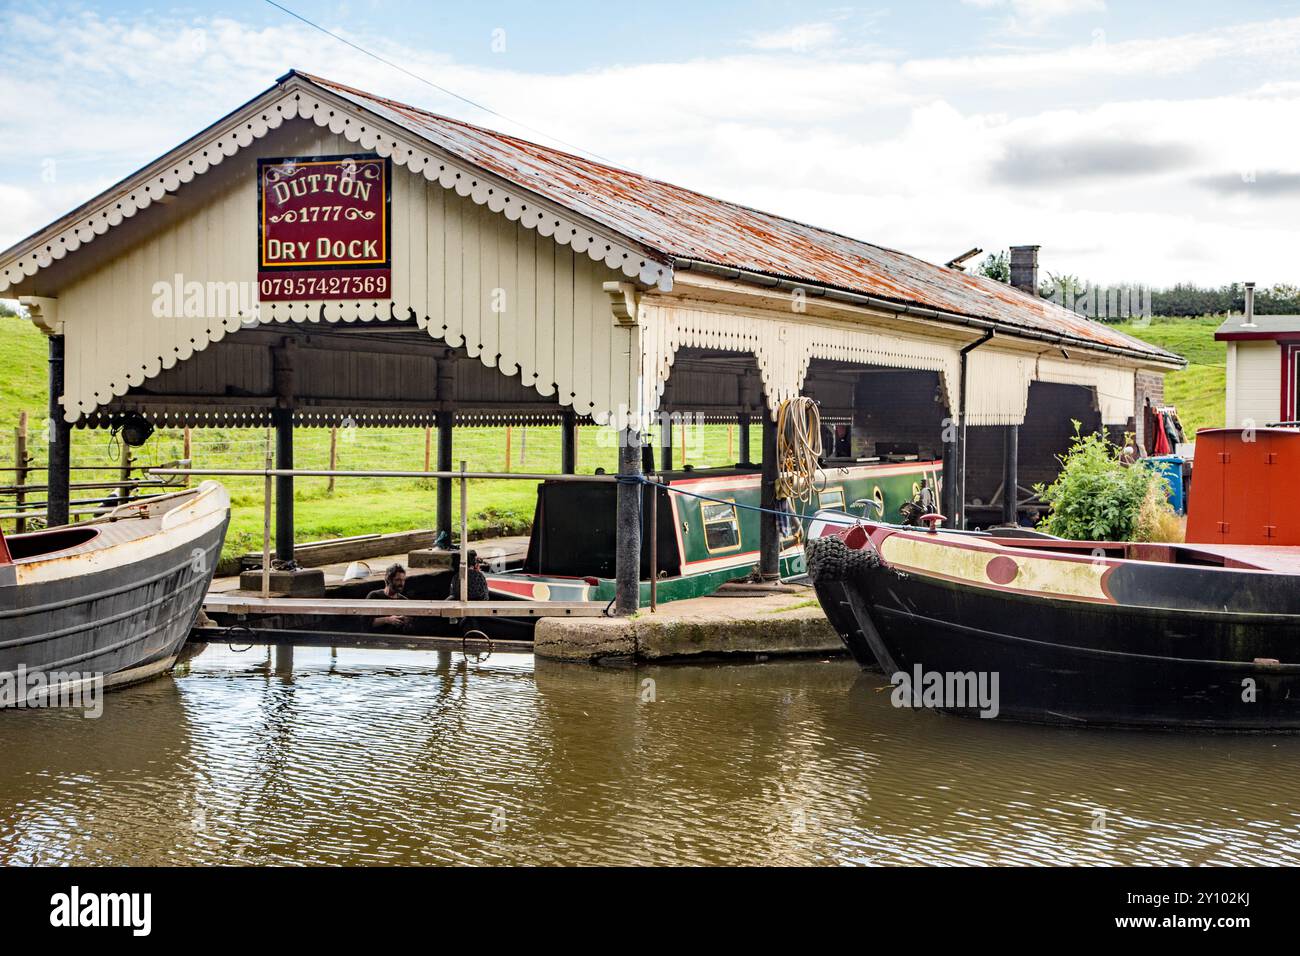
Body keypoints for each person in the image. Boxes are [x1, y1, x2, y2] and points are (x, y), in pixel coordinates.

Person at [367, 563, 412, 632]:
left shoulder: (404, 601)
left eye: (403, 580)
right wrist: (387, 620)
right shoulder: (374, 596)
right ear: (389, 580)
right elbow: (365, 623)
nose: (402, 583)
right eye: (398, 580)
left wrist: (407, 622)